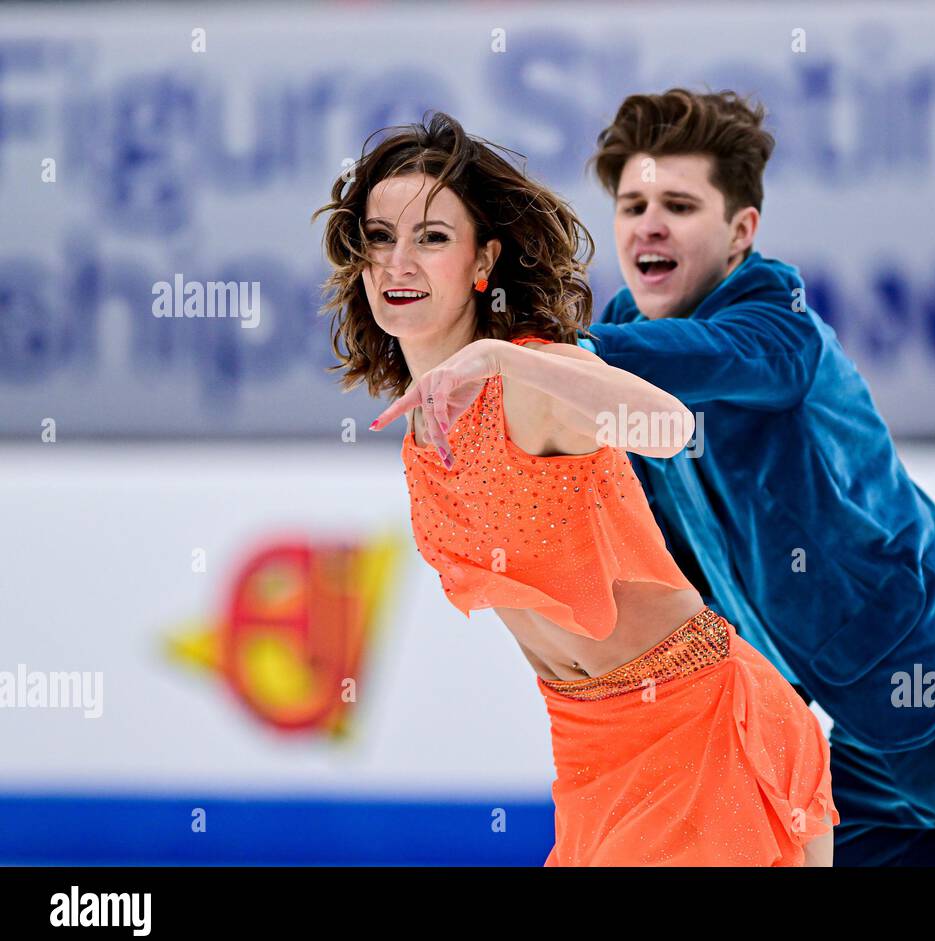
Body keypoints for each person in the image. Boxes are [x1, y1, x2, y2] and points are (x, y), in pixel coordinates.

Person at [574, 88, 935, 865]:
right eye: (633, 205)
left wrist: (542, 357)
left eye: (679, 205)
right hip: (869, 749)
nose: (648, 223)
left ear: (740, 232)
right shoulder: (616, 349)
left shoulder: (776, 321)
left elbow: (710, 360)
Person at [313, 111, 838, 866]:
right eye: (379, 237)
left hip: (701, 727)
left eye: (431, 237)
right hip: (593, 751)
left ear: (483, 259)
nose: (399, 262)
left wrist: (506, 359)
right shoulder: (425, 420)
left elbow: (666, 426)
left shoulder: (536, 379)